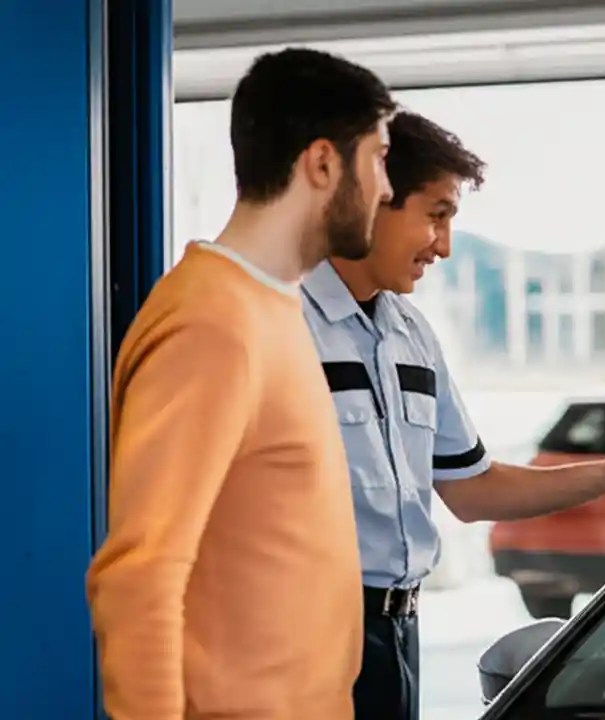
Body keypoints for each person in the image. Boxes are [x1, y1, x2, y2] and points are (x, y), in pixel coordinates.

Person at [300, 110, 605, 720]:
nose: (444, 247)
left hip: (396, 635)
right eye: (436, 216)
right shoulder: (280, 324)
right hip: (300, 634)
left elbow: (472, 489)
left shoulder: (410, 334)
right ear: (374, 196)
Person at [86, 47, 396, 719]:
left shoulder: (270, 307)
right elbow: (139, 577)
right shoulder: (211, 323)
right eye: (377, 157)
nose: (387, 187)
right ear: (321, 162)